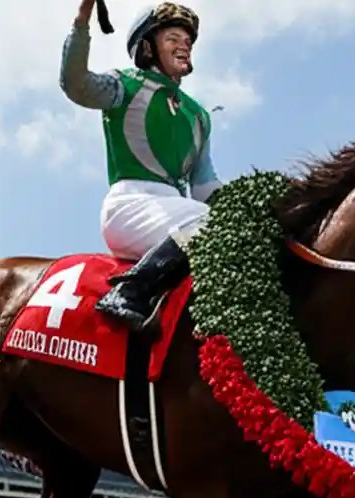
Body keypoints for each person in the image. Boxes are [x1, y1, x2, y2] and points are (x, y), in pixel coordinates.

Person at [60, 1, 223, 332]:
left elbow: (205, 187)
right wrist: (82, 20)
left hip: (178, 211)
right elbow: (76, 84)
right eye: (173, 39)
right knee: (213, 225)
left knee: (233, 228)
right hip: (131, 205)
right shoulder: (125, 84)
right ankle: (128, 293)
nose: (184, 46)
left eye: (188, 41)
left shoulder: (199, 116)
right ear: (147, 47)